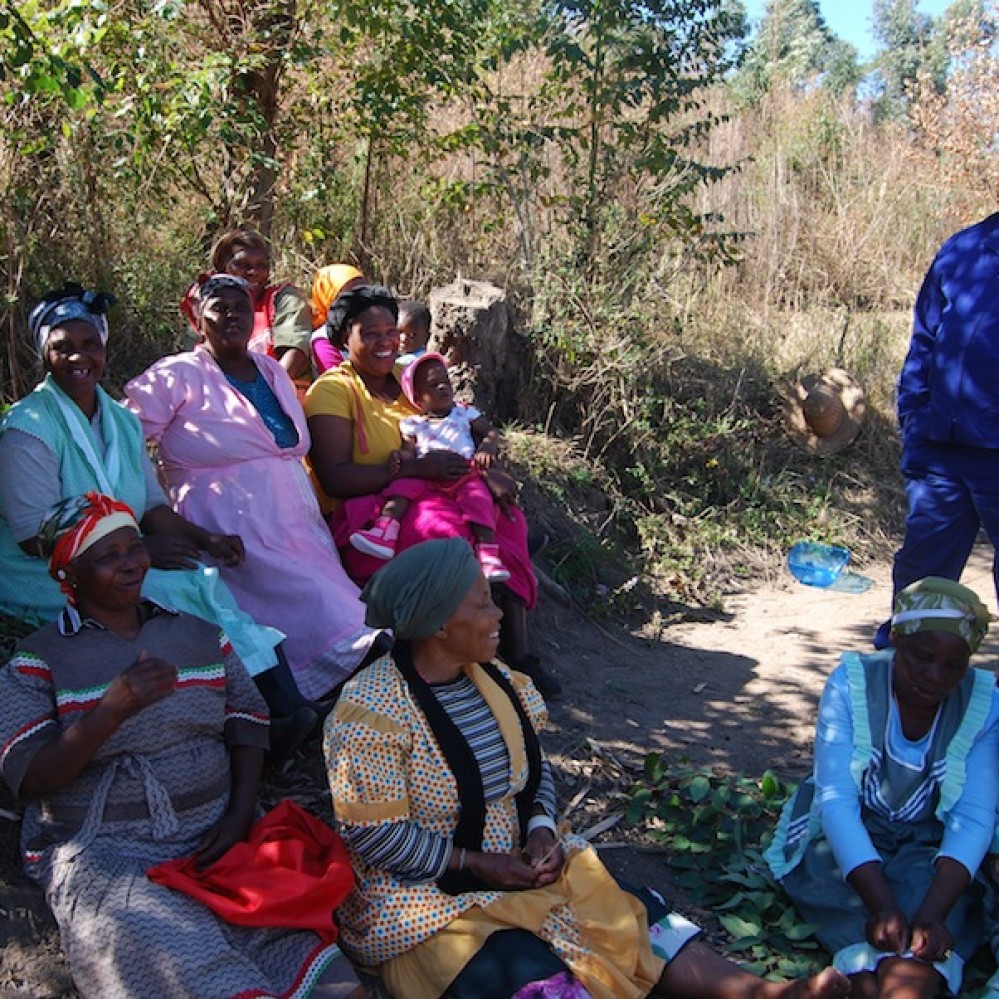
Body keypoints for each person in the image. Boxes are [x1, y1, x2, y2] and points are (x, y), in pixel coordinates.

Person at [326, 538, 851, 999]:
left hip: (515, 870)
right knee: (528, 974)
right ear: (439, 624)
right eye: (483, 603)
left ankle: (763, 993)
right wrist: (477, 863)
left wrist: (540, 830)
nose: (499, 614)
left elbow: (531, 775)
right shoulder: (373, 713)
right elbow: (377, 837)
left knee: (632, 916)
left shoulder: (494, 680)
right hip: (427, 903)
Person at [0, 492, 363, 998]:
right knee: (187, 965)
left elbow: (248, 721)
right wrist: (110, 712)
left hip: (216, 833)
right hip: (110, 852)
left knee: (329, 981)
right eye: (108, 557)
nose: (130, 564)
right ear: (69, 576)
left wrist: (238, 817)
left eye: (134, 548)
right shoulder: (40, 659)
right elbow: (31, 777)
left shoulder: (196, 634)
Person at [0, 282, 315, 754]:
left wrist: (205, 538)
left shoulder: (120, 422)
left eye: (89, 344)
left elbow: (150, 505)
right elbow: (31, 536)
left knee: (204, 578)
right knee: (171, 591)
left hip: (114, 559)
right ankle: (261, 722)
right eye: (62, 347)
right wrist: (140, 551)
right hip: (46, 572)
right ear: (42, 352)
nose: (78, 357)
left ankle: (281, 711)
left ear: (105, 348)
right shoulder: (29, 429)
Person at [125, 273, 384, 702]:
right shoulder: (177, 375)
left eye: (241, 307)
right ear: (196, 320)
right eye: (219, 309)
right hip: (232, 531)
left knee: (341, 608)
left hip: (298, 531)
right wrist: (151, 509)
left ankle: (340, 698)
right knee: (331, 615)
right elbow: (122, 437)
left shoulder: (269, 369)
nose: (231, 317)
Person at [304, 284, 560, 697]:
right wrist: (419, 469)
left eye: (390, 331)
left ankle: (516, 652)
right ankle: (465, 665)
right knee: (450, 541)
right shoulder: (334, 390)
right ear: (342, 337)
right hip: (374, 513)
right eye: (369, 333)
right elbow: (336, 478)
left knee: (508, 518)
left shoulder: (406, 382)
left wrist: (489, 470)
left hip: (436, 490)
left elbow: (454, 432)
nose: (384, 341)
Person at [767, 577, 999, 997]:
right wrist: (881, 906)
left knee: (919, 951)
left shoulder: (981, 706)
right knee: (872, 932)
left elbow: (973, 816)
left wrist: (933, 912)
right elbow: (837, 801)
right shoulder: (853, 684)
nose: (935, 677)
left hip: (930, 846)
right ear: (895, 639)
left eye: (953, 666)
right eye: (921, 658)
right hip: (847, 843)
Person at [876, 212, 999, 647]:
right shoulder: (964, 249)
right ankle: (897, 684)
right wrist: (913, 417)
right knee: (920, 580)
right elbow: (924, 340)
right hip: (942, 451)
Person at [349, 352, 512, 583]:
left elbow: (491, 431)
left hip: (462, 471)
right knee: (402, 487)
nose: (444, 388)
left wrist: (487, 448)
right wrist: (400, 457)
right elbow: (409, 452)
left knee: (478, 500)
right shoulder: (414, 423)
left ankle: (488, 553)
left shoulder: (463, 412)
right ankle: (384, 531)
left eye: (446, 381)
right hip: (426, 472)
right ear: (418, 397)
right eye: (434, 385)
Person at [190, 228, 314, 382]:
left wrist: (268, 393)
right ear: (222, 269)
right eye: (242, 264)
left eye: (261, 265)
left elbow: (294, 353)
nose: (254, 272)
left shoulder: (283, 299)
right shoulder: (208, 309)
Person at [310, 263, 366, 373]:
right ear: (329, 299)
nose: (360, 298)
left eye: (363, 290)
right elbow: (340, 380)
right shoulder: (323, 340)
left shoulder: (376, 326)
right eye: (350, 294)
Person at [397, 298, 431, 365]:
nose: (403, 339)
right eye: (399, 332)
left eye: (412, 335)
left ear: (427, 335)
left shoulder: (414, 360)